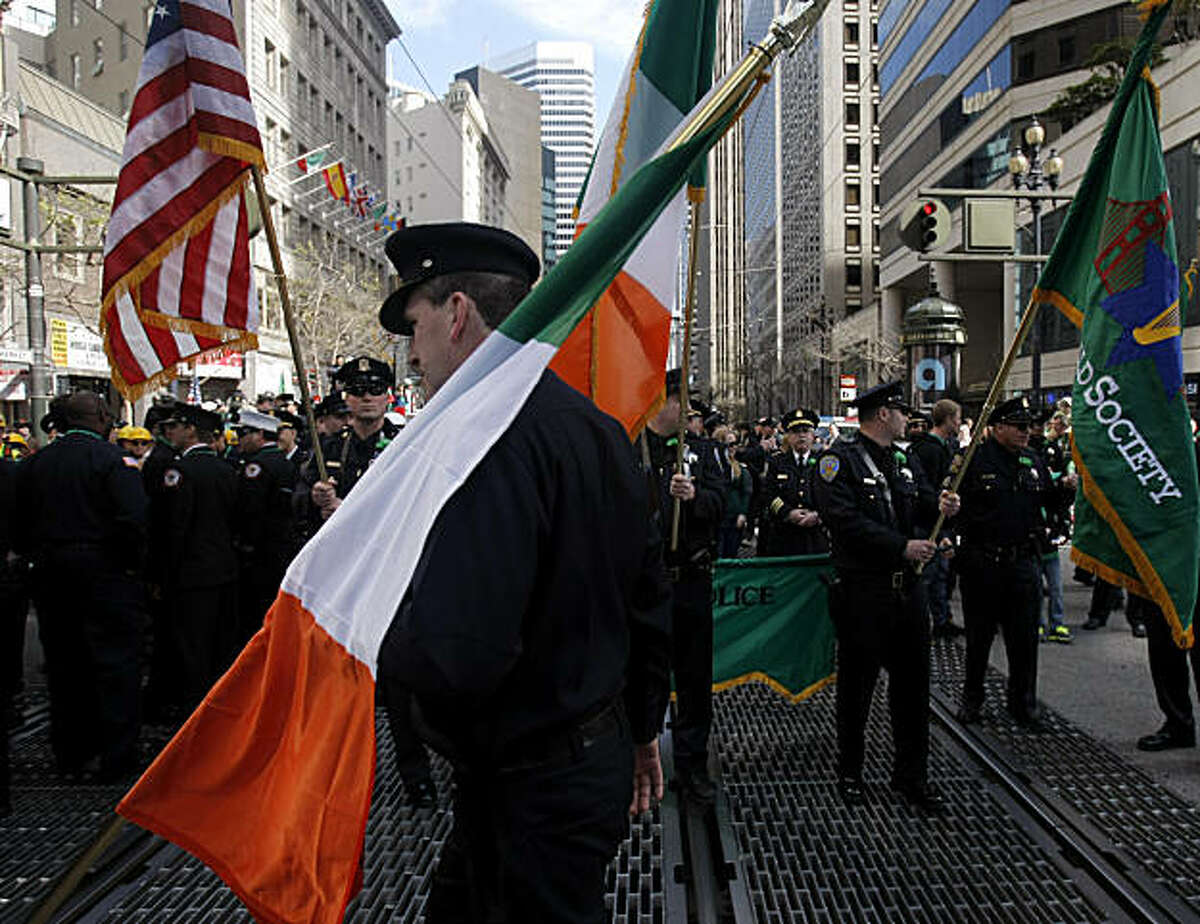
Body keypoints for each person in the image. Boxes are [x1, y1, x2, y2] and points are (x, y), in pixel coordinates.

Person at [374, 222, 672, 922]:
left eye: (412, 326)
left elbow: (461, 653)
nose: (410, 355)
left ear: (456, 314)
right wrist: (638, 730)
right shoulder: (593, 427)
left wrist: (355, 639)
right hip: (575, 763)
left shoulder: (482, 439)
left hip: (528, 781)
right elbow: (646, 596)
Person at [811, 381, 954, 810]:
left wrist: (943, 510)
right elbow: (843, 521)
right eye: (900, 410)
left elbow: (924, 505)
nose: (907, 417)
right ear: (881, 415)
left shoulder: (904, 460)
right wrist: (900, 547)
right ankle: (850, 771)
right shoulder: (839, 462)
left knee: (913, 689)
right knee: (858, 689)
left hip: (907, 593)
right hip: (863, 592)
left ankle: (911, 776)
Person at [14, 392, 147, 781]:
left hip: (52, 573)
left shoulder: (35, 464)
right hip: (105, 573)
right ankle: (117, 757)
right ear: (99, 419)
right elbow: (134, 518)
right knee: (116, 664)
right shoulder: (113, 462)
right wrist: (130, 567)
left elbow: (19, 524)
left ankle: (71, 753)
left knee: (64, 665)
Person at [945, 396, 1072, 730]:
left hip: (1022, 562)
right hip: (983, 563)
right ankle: (972, 700)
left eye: (1027, 426)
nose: (1025, 432)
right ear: (997, 427)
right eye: (1018, 426)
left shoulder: (1032, 460)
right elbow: (950, 507)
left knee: (1024, 640)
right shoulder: (973, 460)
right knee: (979, 638)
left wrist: (1065, 489)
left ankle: (1023, 705)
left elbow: (1048, 499)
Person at [645, 369, 725, 804]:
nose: (688, 411)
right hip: (648, 584)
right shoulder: (633, 447)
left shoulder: (704, 452)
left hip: (691, 580)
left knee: (694, 679)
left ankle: (693, 764)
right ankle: (644, 758)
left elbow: (723, 503)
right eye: (681, 402)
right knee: (644, 676)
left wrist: (694, 498)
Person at [159, 403, 240, 707]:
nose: (170, 433)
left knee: (192, 648)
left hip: (191, 575)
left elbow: (174, 528)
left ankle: (195, 710)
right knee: (220, 647)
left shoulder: (180, 472)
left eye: (175, 427)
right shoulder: (227, 469)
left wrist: (163, 574)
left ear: (190, 430)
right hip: (225, 569)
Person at [295, 356, 400, 535]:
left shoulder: (402, 446)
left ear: (387, 397)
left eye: (376, 390)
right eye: (358, 391)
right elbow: (298, 500)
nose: (367, 397)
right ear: (347, 399)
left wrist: (347, 512)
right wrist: (315, 497)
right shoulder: (329, 447)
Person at [232, 410, 297, 646]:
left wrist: (245, 545)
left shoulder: (258, 466)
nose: (240, 439)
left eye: (244, 434)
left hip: (260, 553)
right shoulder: (283, 462)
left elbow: (249, 512)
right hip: (280, 548)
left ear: (260, 435)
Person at [909, 398, 963, 637]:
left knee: (941, 577)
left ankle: (942, 619)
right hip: (929, 525)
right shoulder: (929, 450)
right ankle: (925, 622)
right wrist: (940, 533)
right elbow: (927, 493)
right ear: (950, 419)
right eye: (958, 418)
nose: (960, 423)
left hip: (942, 524)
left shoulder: (944, 447)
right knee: (929, 578)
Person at [1028, 410, 1073, 643]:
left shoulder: (1052, 449)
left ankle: (1057, 623)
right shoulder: (1027, 453)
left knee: (1055, 586)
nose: (1038, 428)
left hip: (1051, 531)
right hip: (1034, 534)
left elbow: (1059, 497)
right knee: (1036, 586)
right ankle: (1038, 623)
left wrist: (1062, 524)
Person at [758, 408, 828, 557]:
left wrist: (818, 514)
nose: (801, 435)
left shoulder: (824, 462)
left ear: (813, 435)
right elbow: (768, 494)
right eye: (796, 431)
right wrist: (788, 513)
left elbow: (832, 494)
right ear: (788, 436)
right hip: (784, 536)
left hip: (815, 537)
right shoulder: (777, 462)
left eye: (806, 431)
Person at [713, 425, 752, 559]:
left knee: (730, 553)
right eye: (729, 445)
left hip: (733, 517)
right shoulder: (713, 466)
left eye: (735, 444)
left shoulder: (740, 468)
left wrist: (743, 513)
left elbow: (746, 492)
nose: (733, 448)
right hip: (716, 518)